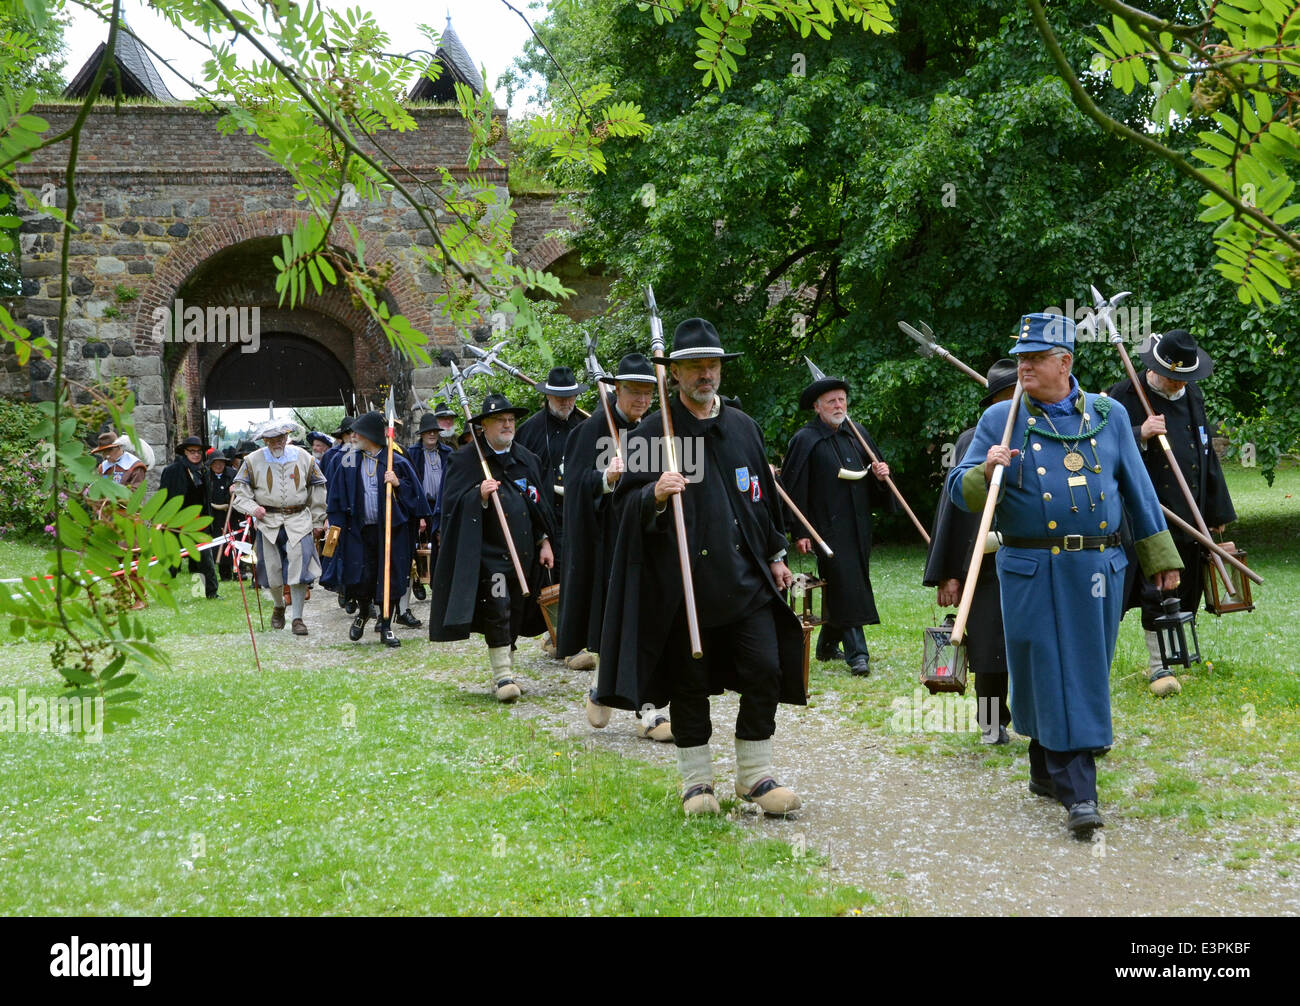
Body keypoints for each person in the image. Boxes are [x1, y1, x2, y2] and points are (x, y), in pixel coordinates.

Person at [948, 313, 1181, 839]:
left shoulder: (1109, 414)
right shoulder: (1001, 420)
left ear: (1065, 362)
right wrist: (986, 471)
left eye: (1035, 358)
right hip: (1031, 568)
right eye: (1021, 357)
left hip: (1099, 568)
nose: (1024, 366)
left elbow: (1138, 490)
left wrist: (1161, 562)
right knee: (1051, 667)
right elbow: (957, 490)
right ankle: (1080, 790)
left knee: (1081, 669)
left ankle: (1044, 771)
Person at [596, 319, 807, 817]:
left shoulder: (743, 428)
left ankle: (755, 776)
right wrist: (654, 494)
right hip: (682, 589)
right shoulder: (658, 433)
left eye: (711, 365)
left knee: (765, 668)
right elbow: (621, 506)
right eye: (694, 366)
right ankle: (697, 784)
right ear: (675, 373)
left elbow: (762, 502)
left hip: (745, 582)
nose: (705, 374)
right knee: (689, 685)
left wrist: (775, 556)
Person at [1107, 330, 1237, 697]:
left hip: (1187, 509)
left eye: (1184, 378)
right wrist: (1140, 433)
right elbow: (1100, 448)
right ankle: (1157, 666)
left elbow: (1205, 452)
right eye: (1172, 377)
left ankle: (1175, 655)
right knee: (1153, 586)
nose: (1178, 384)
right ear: (1156, 368)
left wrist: (1214, 510)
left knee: (1182, 584)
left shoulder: (1192, 395)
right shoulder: (1125, 395)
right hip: (1143, 512)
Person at [557, 353, 672, 740]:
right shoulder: (588, 432)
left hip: (649, 536)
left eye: (647, 393)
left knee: (648, 620)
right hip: (608, 542)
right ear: (616, 390)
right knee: (616, 622)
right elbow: (574, 487)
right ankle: (628, 702)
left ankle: (648, 710)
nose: (641, 400)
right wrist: (605, 478)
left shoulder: (659, 430)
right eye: (633, 392)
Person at [427, 393, 556, 701]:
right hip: (489, 554)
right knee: (497, 607)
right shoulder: (467, 460)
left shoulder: (527, 459)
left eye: (511, 420)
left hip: (524, 551)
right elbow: (452, 506)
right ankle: (502, 677)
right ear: (484, 425)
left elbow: (540, 507)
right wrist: (479, 497)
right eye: (500, 421)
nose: (507, 425)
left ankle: (508, 667)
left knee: (515, 607)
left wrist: (545, 540)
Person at [922, 359, 1018, 744]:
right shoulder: (973, 441)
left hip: (1030, 558)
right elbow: (955, 511)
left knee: (1021, 645)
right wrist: (951, 573)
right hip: (985, 565)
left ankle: (1028, 719)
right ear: (998, 400)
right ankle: (991, 722)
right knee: (990, 649)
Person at [781, 363, 895, 676]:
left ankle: (827, 645)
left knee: (846, 582)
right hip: (824, 528)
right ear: (817, 407)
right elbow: (792, 489)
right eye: (831, 401)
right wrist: (799, 530)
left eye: (842, 400)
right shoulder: (805, 440)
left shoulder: (856, 434)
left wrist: (881, 476)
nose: (838, 406)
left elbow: (875, 477)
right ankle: (858, 654)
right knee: (846, 584)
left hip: (859, 525)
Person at [326, 411, 429, 647]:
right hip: (358, 532)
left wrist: (398, 484)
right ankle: (363, 614)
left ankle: (386, 625)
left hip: (391, 532)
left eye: (357, 433)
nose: (353, 437)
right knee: (361, 576)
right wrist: (336, 527)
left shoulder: (397, 462)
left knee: (390, 577)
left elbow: (418, 501)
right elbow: (337, 498)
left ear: (370, 435)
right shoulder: (348, 461)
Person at [230, 420, 327, 635]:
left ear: (287, 437)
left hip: (299, 519)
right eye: (272, 439)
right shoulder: (251, 461)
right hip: (268, 522)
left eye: (281, 438)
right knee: (272, 571)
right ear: (264, 440)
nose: (277, 442)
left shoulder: (305, 458)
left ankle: (298, 618)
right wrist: (253, 508)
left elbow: (318, 488)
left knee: (298, 569)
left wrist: (318, 520)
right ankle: (279, 606)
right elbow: (239, 491)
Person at [516, 366, 586, 549]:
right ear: (548, 396)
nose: (566, 403)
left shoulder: (586, 427)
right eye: (560, 398)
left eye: (571, 397)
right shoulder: (528, 431)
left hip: (581, 514)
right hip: (545, 518)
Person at [402, 412, 453, 611]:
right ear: (421, 434)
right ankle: (416, 580)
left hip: (441, 506)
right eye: (428, 432)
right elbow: (410, 483)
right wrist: (420, 513)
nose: (432, 434)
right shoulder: (412, 453)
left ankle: (437, 584)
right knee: (416, 545)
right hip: (419, 506)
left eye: (434, 431)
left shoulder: (447, 452)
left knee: (441, 545)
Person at [159, 435, 220, 600]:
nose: (196, 455)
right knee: (172, 561)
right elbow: (163, 496)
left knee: (204, 560)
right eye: (192, 451)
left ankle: (206, 592)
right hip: (175, 522)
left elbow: (206, 499)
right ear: (184, 452)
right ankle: (164, 593)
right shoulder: (172, 471)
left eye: (199, 452)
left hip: (198, 522)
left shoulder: (204, 471)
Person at [205, 449, 238, 582]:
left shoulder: (232, 475)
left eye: (221, 463)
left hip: (232, 513)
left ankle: (238, 571)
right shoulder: (206, 476)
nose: (219, 466)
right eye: (215, 463)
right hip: (214, 515)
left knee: (235, 542)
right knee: (219, 543)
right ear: (211, 464)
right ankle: (224, 574)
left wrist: (233, 492)